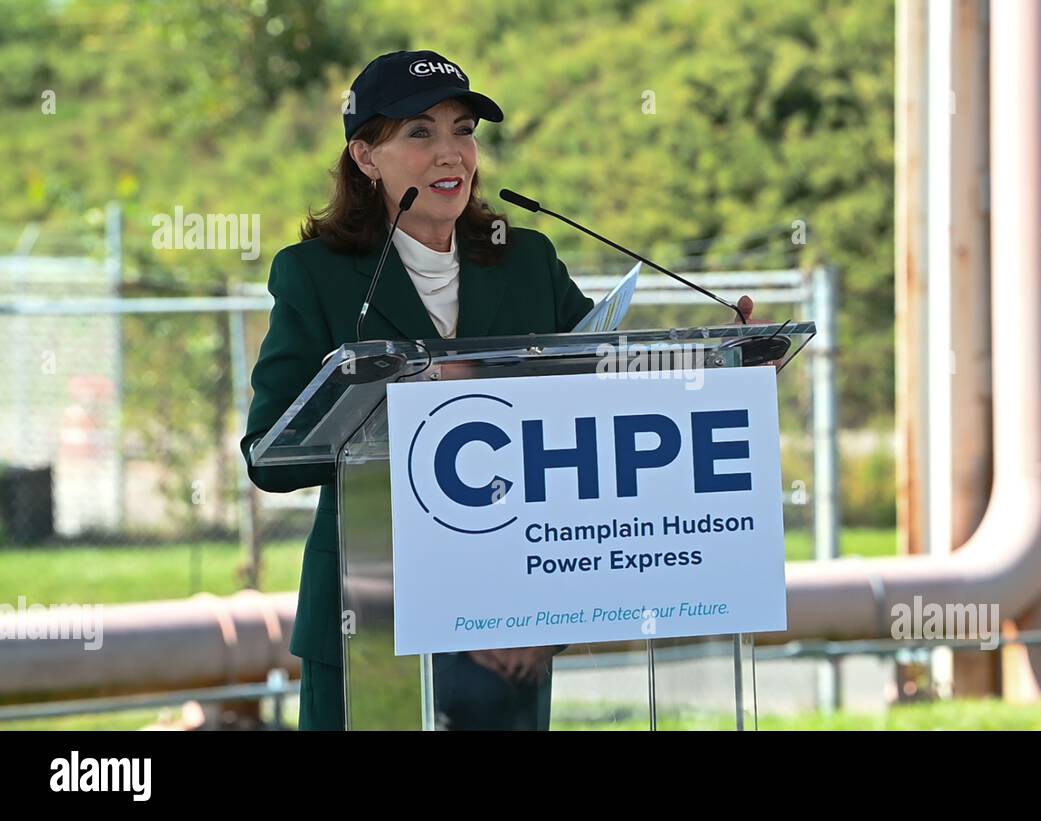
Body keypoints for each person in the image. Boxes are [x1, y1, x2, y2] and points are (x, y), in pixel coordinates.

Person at [240, 49, 758, 731]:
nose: (451, 153)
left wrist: (718, 372)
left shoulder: (526, 260)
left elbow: (604, 396)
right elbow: (269, 449)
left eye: (464, 130)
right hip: (369, 613)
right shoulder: (317, 275)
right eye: (420, 132)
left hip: (510, 613)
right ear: (366, 157)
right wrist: (404, 398)